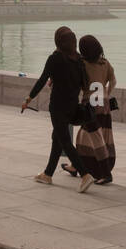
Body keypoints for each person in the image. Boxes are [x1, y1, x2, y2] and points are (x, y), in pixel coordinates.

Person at [25, 26, 94, 192]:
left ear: (58, 41)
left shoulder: (55, 58)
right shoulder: (78, 59)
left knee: (64, 140)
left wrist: (29, 98)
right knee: (57, 137)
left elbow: (42, 80)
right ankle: (47, 174)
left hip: (57, 106)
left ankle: (85, 175)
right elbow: (85, 84)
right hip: (72, 105)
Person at [61, 34, 117, 185]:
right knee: (86, 136)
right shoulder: (105, 63)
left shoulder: (83, 64)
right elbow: (113, 80)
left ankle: (106, 173)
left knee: (95, 139)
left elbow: (76, 82)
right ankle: (75, 167)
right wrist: (107, 93)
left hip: (90, 107)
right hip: (103, 105)